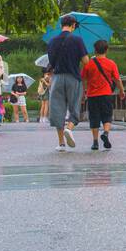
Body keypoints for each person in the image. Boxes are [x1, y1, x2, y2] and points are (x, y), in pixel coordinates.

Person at [46, 14, 89, 151]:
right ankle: (69, 128)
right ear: (74, 25)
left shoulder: (52, 41)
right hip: (73, 77)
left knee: (58, 109)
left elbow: (51, 63)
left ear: (61, 25)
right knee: (74, 105)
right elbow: (86, 62)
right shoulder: (77, 40)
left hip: (57, 78)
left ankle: (61, 143)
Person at [80, 39, 123, 152]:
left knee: (94, 117)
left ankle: (95, 142)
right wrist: (122, 91)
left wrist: (84, 93)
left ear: (95, 50)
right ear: (106, 50)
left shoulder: (88, 64)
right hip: (106, 94)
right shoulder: (111, 63)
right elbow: (117, 79)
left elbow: (83, 79)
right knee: (107, 115)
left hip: (92, 95)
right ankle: (106, 133)